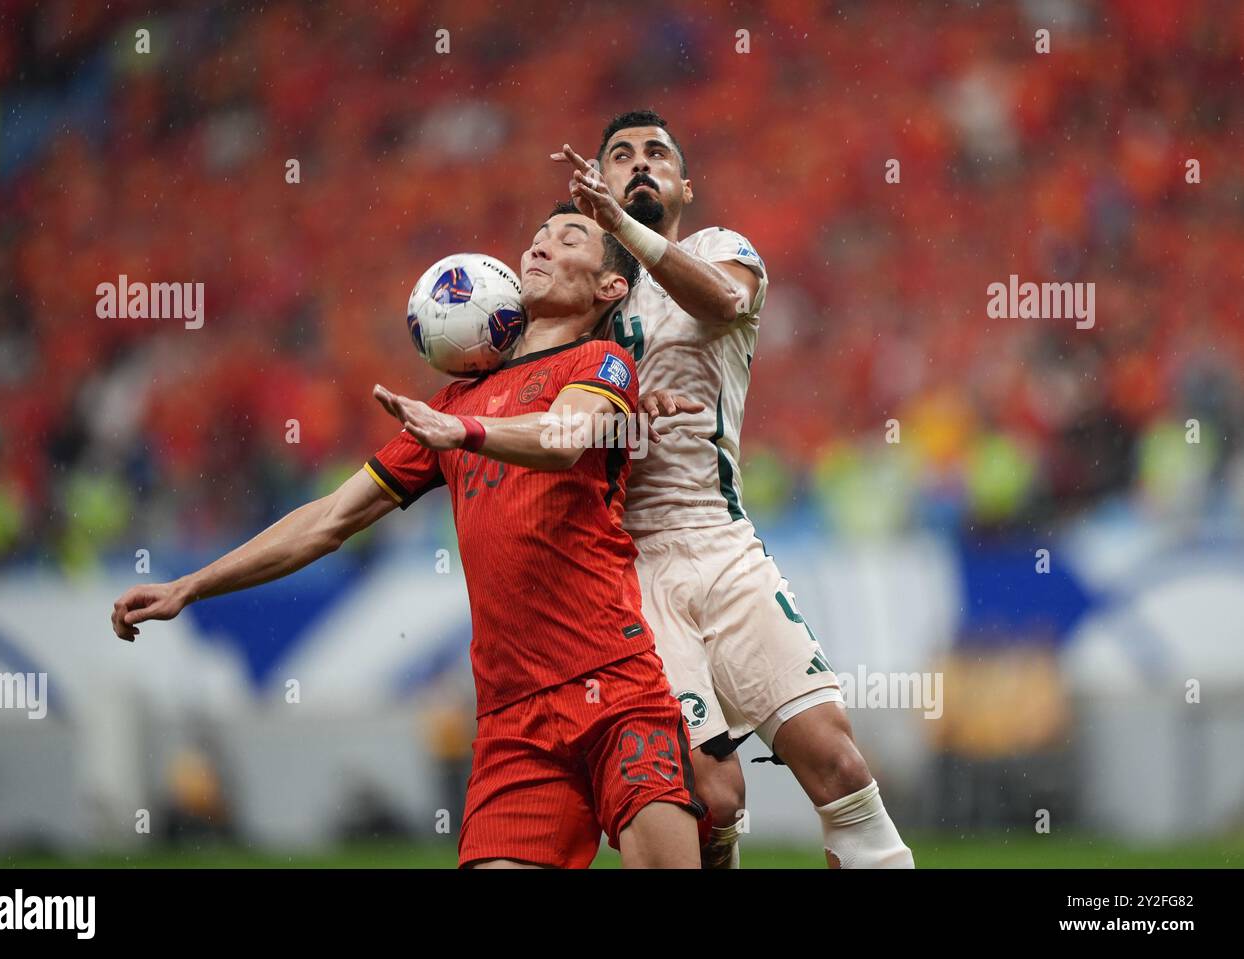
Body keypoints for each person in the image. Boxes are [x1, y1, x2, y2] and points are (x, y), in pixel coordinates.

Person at [110, 202, 706, 869]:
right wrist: (190, 585)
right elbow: (329, 519)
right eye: (535, 236)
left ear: (609, 287)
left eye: (569, 239)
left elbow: (565, 438)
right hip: (513, 718)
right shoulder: (453, 407)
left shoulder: (603, 363)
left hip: (613, 683)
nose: (539, 246)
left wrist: (466, 434)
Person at [552, 110, 914, 868]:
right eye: (619, 156)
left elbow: (723, 301)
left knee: (842, 768)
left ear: (685, 184)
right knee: (713, 800)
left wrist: (621, 223)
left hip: (724, 544)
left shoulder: (721, 250)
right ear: (597, 179)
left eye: (657, 154)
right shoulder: (582, 301)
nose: (639, 163)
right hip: (633, 568)